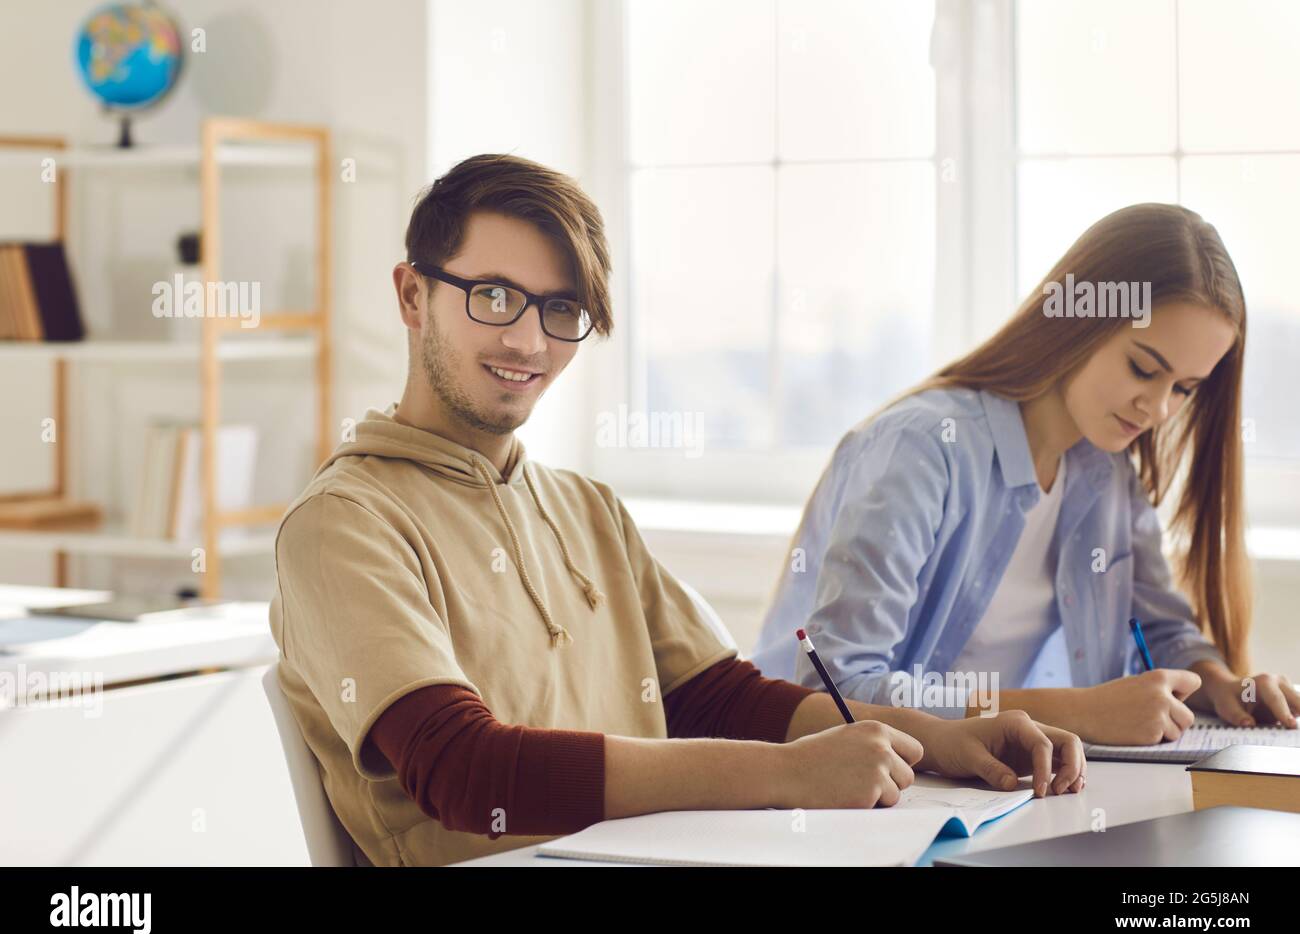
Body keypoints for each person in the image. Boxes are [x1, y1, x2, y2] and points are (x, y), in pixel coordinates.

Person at [268, 154, 1084, 866]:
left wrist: (935, 738)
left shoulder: (586, 507)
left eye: (559, 311)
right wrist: (790, 777)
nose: (527, 343)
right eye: (492, 295)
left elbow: (722, 699)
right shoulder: (344, 524)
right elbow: (467, 775)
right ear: (413, 297)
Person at [750, 203, 1299, 746]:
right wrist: (1076, 711)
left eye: (1183, 389)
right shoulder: (922, 450)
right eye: (1143, 369)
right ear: (1079, 324)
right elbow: (838, 690)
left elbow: (1162, 631)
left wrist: (1225, 686)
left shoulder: (1106, 473)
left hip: (979, 788)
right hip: (835, 794)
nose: (1157, 409)